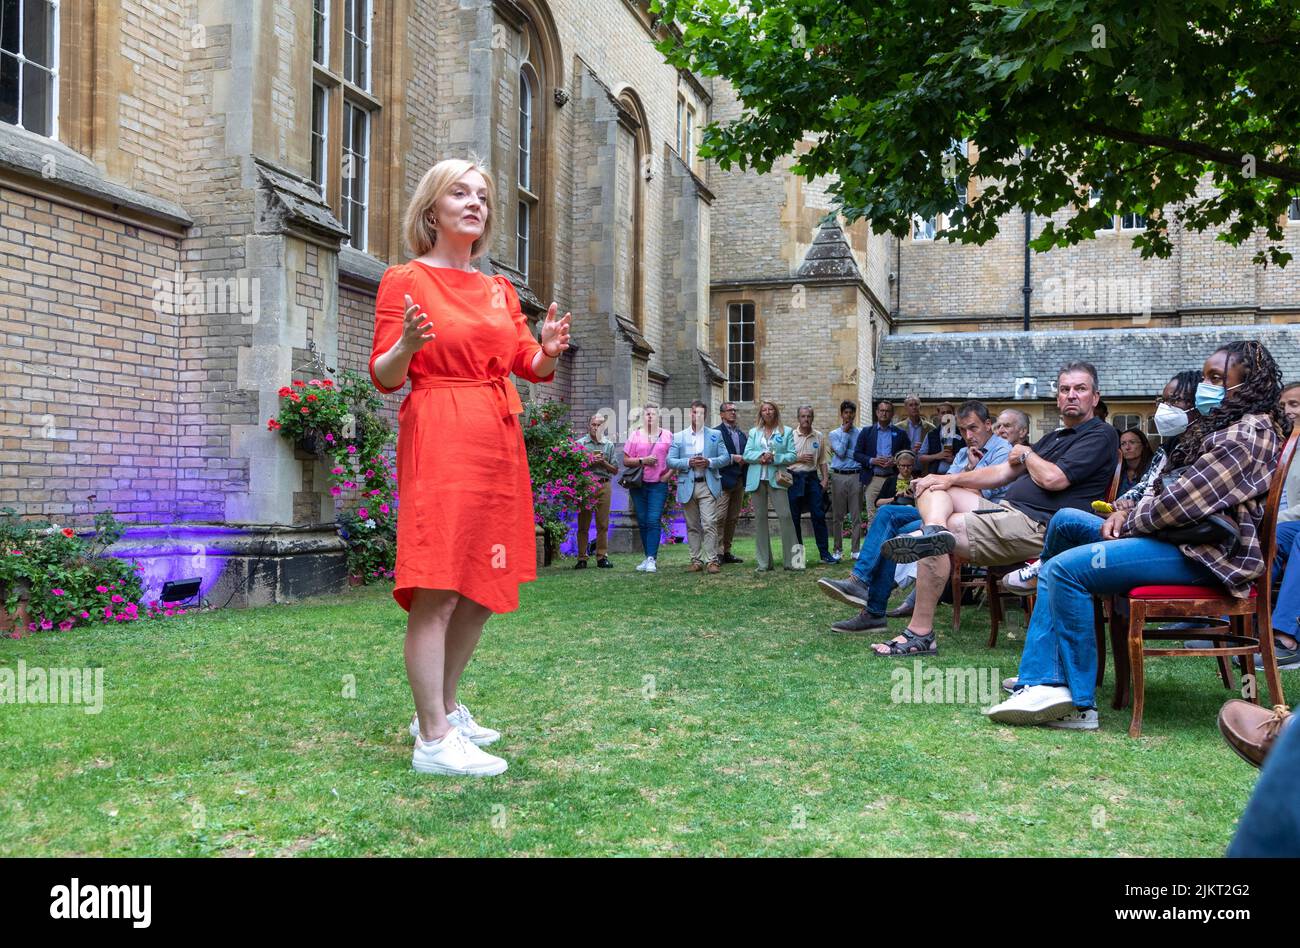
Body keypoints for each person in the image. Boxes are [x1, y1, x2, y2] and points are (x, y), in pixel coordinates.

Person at [370, 158, 571, 777]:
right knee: (438, 587)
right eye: (460, 192)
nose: (475, 203)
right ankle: (432, 741)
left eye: (483, 195)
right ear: (432, 208)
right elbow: (383, 376)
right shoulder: (403, 279)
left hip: (497, 437)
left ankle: (446, 709)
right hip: (441, 431)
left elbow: (524, 364)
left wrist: (547, 349)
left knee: (483, 587)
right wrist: (405, 344)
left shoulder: (498, 289)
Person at [983, 341, 1286, 729]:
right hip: (1177, 539)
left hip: (1204, 555)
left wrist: (1126, 520)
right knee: (1065, 522)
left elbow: (1180, 502)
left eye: (1216, 379)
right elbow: (1160, 490)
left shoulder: (1248, 433)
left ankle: (1076, 704)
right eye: (1205, 377)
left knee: (1063, 570)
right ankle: (1042, 674)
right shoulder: (1225, 428)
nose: (1205, 388)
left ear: (1248, 383)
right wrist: (1125, 509)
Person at [861, 363, 1118, 656]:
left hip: (1041, 527)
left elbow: (1053, 479)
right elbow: (1000, 473)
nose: (1071, 395)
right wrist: (946, 477)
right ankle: (932, 530)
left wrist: (1027, 454)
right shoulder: (1055, 438)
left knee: (949, 528)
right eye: (1065, 389)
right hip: (1007, 511)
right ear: (1058, 398)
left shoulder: (1100, 434)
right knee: (934, 489)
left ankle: (920, 633)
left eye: (1080, 389)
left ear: (1095, 397)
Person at [818, 400, 1013, 633]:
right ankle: (858, 581)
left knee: (897, 536)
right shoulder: (962, 452)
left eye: (973, 428)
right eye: (962, 430)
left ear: (988, 424)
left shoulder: (1002, 450)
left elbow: (977, 493)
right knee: (887, 512)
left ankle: (873, 612)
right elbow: (944, 487)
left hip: (972, 517)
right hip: (939, 510)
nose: (967, 435)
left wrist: (970, 470)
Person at [668, 400, 730, 574]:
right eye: (695, 413)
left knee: (710, 522)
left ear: (706, 415)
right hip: (687, 484)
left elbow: (725, 458)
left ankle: (712, 560)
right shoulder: (679, 436)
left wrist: (709, 461)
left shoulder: (715, 435)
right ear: (690, 414)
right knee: (692, 525)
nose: (698, 416)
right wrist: (688, 461)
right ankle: (696, 560)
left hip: (707, 484)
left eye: (701, 413)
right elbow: (670, 460)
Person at [744, 400, 799, 571]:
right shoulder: (754, 432)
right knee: (760, 520)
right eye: (764, 410)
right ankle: (764, 563)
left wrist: (775, 458)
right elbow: (746, 454)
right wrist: (762, 455)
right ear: (761, 414)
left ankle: (795, 562)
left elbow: (792, 456)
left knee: (786, 517)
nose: (767, 412)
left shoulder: (787, 431)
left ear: (775, 412)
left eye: (771, 409)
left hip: (777, 478)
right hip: (757, 479)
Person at [623, 403, 673, 573]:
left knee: (653, 519)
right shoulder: (635, 435)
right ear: (643, 417)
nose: (650, 416)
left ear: (658, 416)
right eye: (647, 414)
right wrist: (643, 460)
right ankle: (647, 557)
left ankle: (652, 558)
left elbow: (675, 457)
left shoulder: (667, 435)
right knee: (643, 521)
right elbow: (626, 460)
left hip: (658, 484)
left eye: (653, 413)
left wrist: (668, 475)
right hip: (638, 484)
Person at [788, 405, 838, 564]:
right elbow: (781, 458)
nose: (806, 419)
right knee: (794, 518)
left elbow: (822, 460)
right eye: (803, 416)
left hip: (812, 478)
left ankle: (824, 554)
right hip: (793, 478)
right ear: (798, 418)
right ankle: (797, 558)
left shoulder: (818, 436)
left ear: (812, 418)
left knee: (818, 515)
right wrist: (799, 459)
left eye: (809, 416)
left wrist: (824, 479)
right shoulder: (790, 435)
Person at [853, 399, 910, 525]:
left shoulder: (900, 433)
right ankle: (874, 544)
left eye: (887, 411)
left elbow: (907, 454)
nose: (884, 414)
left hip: (894, 478)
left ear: (892, 414)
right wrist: (873, 460)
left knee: (896, 511)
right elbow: (856, 454)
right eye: (882, 411)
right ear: (877, 412)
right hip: (873, 479)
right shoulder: (866, 432)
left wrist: (895, 461)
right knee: (872, 514)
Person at [574, 412, 618, 569]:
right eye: (593, 424)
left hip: (603, 485)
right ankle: (581, 558)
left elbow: (615, 470)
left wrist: (603, 463)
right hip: (586, 485)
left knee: (603, 523)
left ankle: (602, 557)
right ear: (589, 426)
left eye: (599, 425)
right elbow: (574, 468)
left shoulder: (609, 445)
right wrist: (588, 462)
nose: (596, 427)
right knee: (583, 523)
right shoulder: (580, 444)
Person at [714, 401, 748, 564]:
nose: (733, 412)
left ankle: (727, 551)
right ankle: (718, 552)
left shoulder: (741, 435)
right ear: (722, 414)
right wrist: (733, 458)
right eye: (729, 410)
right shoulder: (715, 433)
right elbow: (713, 457)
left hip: (739, 481)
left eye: (735, 410)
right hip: (723, 480)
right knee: (720, 517)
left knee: (733, 518)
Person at [828, 400, 864, 558]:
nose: (849, 416)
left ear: (855, 415)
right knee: (838, 515)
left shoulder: (860, 433)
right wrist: (845, 433)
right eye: (846, 413)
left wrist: (851, 453)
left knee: (856, 515)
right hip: (838, 476)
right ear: (841, 414)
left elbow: (859, 455)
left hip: (856, 475)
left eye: (851, 413)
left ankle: (855, 550)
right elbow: (841, 452)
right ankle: (837, 549)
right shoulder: (834, 434)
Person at [920, 401, 959, 474]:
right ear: (938, 416)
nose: (946, 415)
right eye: (943, 413)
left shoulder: (962, 433)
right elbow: (921, 457)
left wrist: (955, 459)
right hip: (936, 476)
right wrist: (937, 456)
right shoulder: (931, 434)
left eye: (948, 412)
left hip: (957, 476)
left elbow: (969, 454)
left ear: (953, 414)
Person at [900, 395, 935, 473]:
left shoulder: (931, 428)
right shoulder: (898, 428)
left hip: (924, 471)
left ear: (920, 407)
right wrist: (910, 451)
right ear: (906, 408)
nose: (914, 407)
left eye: (916, 404)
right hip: (904, 472)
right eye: (911, 405)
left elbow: (935, 450)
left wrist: (924, 447)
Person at [1117, 428, 1155, 496]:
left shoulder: (1153, 469)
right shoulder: (1118, 471)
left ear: (1144, 445)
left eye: (1132, 442)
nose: (1127, 447)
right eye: (1123, 444)